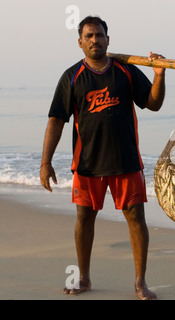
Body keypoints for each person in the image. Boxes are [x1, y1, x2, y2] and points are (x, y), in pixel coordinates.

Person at [39, 15, 166, 300]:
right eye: (89, 36)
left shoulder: (126, 70)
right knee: (84, 218)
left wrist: (159, 75)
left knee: (136, 220)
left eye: (100, 35)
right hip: (87, 164)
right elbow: (56, 120)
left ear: (108, 39)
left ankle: (140, 283)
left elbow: (153, 104)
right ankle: (83, 278)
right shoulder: (71, 76)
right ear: (80, 42)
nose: (95, 40)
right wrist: (45, 162)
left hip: (126, 161)